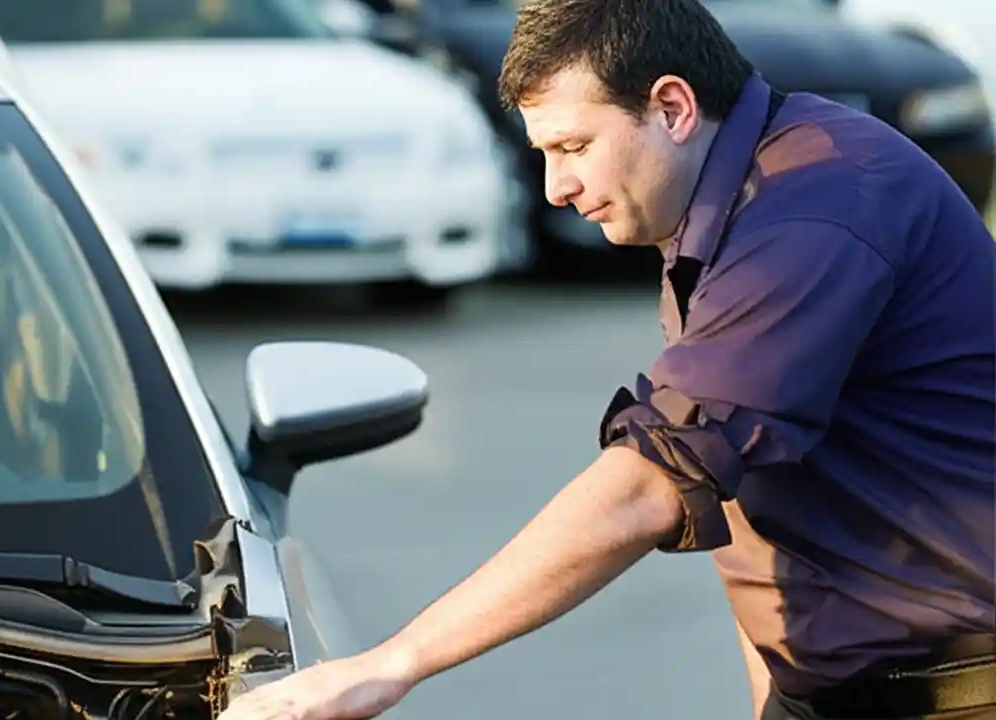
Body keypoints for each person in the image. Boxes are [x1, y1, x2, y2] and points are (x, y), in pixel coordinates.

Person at [218, 0, 996, 717]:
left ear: (672, 107)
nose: (556, 186)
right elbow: (746, 481)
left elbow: (654, 483)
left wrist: (391, 663)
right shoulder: (729, 203)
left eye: (574, 145)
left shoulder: (814, 214)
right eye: (543, 152)